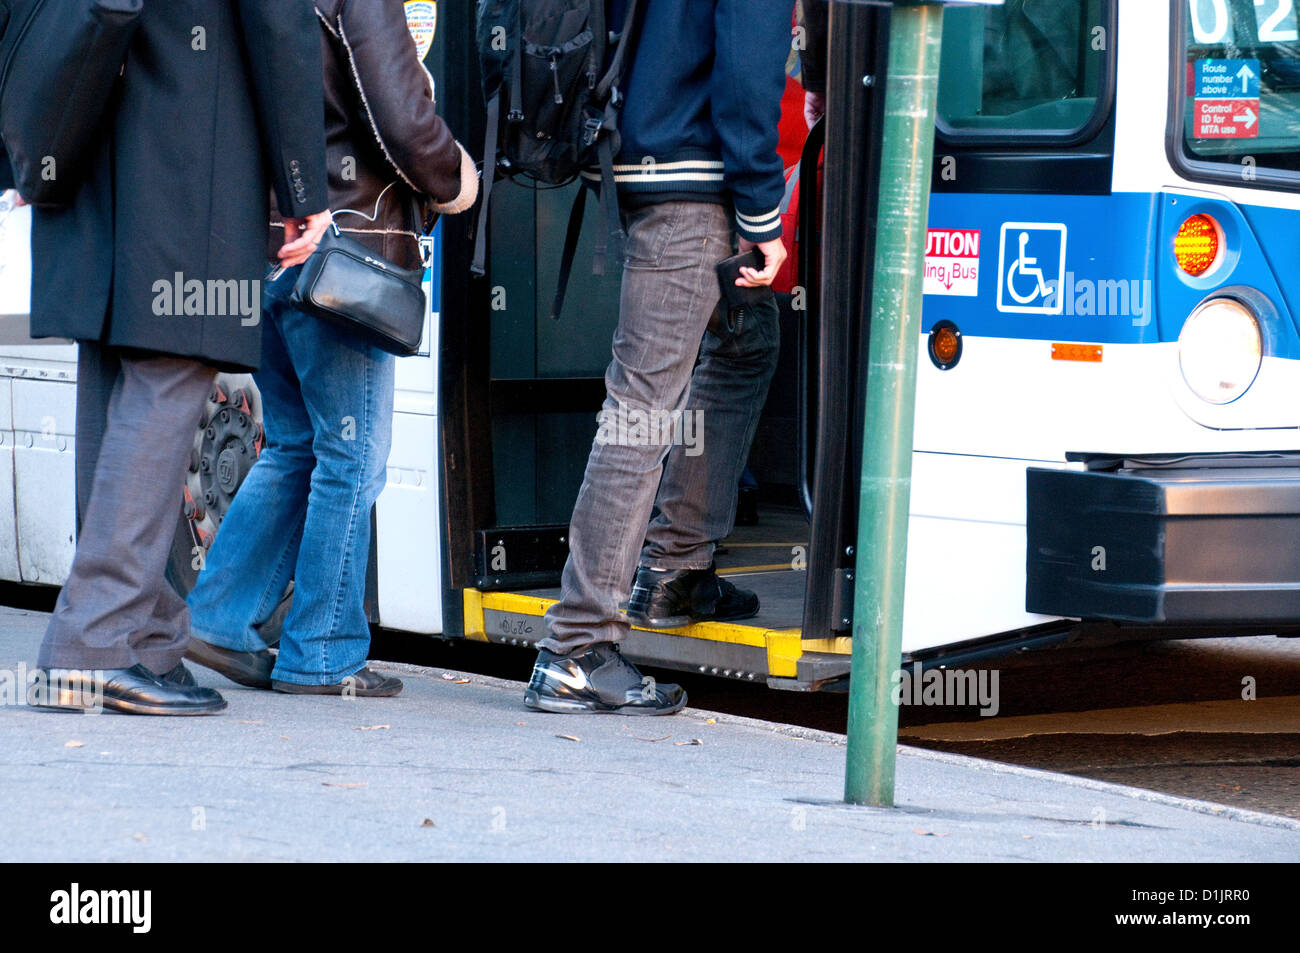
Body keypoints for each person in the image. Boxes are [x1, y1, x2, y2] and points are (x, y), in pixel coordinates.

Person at [19, 0, 332, 716]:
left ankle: (148, 637)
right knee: (171, 367)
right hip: (188, 141)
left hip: (84, 138)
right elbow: (278, 19)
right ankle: (92, 641)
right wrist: (302, 185)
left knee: (116, 371)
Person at [180, 0, 478, 697]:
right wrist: (459, 181)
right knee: (351, 457)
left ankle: (221, 616)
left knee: (294, 446)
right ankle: (323, 649)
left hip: (266, 247)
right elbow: (400, 120)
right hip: (344, 255)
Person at [525, 0, 793, 715]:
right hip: (692, 194)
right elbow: (747, 76)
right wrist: (764, 211)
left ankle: (677, 563)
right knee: (639, 416)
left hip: (643, 166)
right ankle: (577, 647)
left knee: (747, 343)